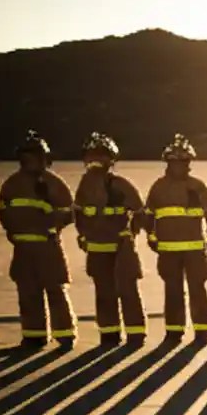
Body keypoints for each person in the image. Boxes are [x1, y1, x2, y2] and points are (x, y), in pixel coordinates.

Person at [0, 130, 76, 348]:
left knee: (55, 290)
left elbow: (69, 212)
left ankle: (65, 334)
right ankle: (34, 335)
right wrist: (14, 232)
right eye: (28, 157)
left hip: (48, 246)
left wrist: (50, 219)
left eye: (36, 157)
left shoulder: (53, 183)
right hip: (23, 248)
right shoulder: (11, 184)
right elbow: (4, 212)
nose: (32, 161)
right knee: (28, 292)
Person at [74, 132, 147, 347]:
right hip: (97, 248)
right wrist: (84, 236)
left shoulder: (121, 184)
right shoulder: (84, 186)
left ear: (111, 160)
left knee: (128, 290)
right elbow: (78, 214)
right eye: (93, 156)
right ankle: (109, 334)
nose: (96, 161)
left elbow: (140, 212)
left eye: (101, 156)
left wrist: (131, 233)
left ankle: (136, 334)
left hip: (121, 248)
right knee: (104, 293)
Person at [145, 134, 207, 345]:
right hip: (168, 250)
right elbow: (149, 215)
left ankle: (203, 330)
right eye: (175, 162)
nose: (179, 166)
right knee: (173, 291)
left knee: (198, 290)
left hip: (195, 250)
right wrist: (151, 237)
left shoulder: (197, 186)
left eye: (183, 162)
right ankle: (174, 331)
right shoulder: (158, 187)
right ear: (169, 163)